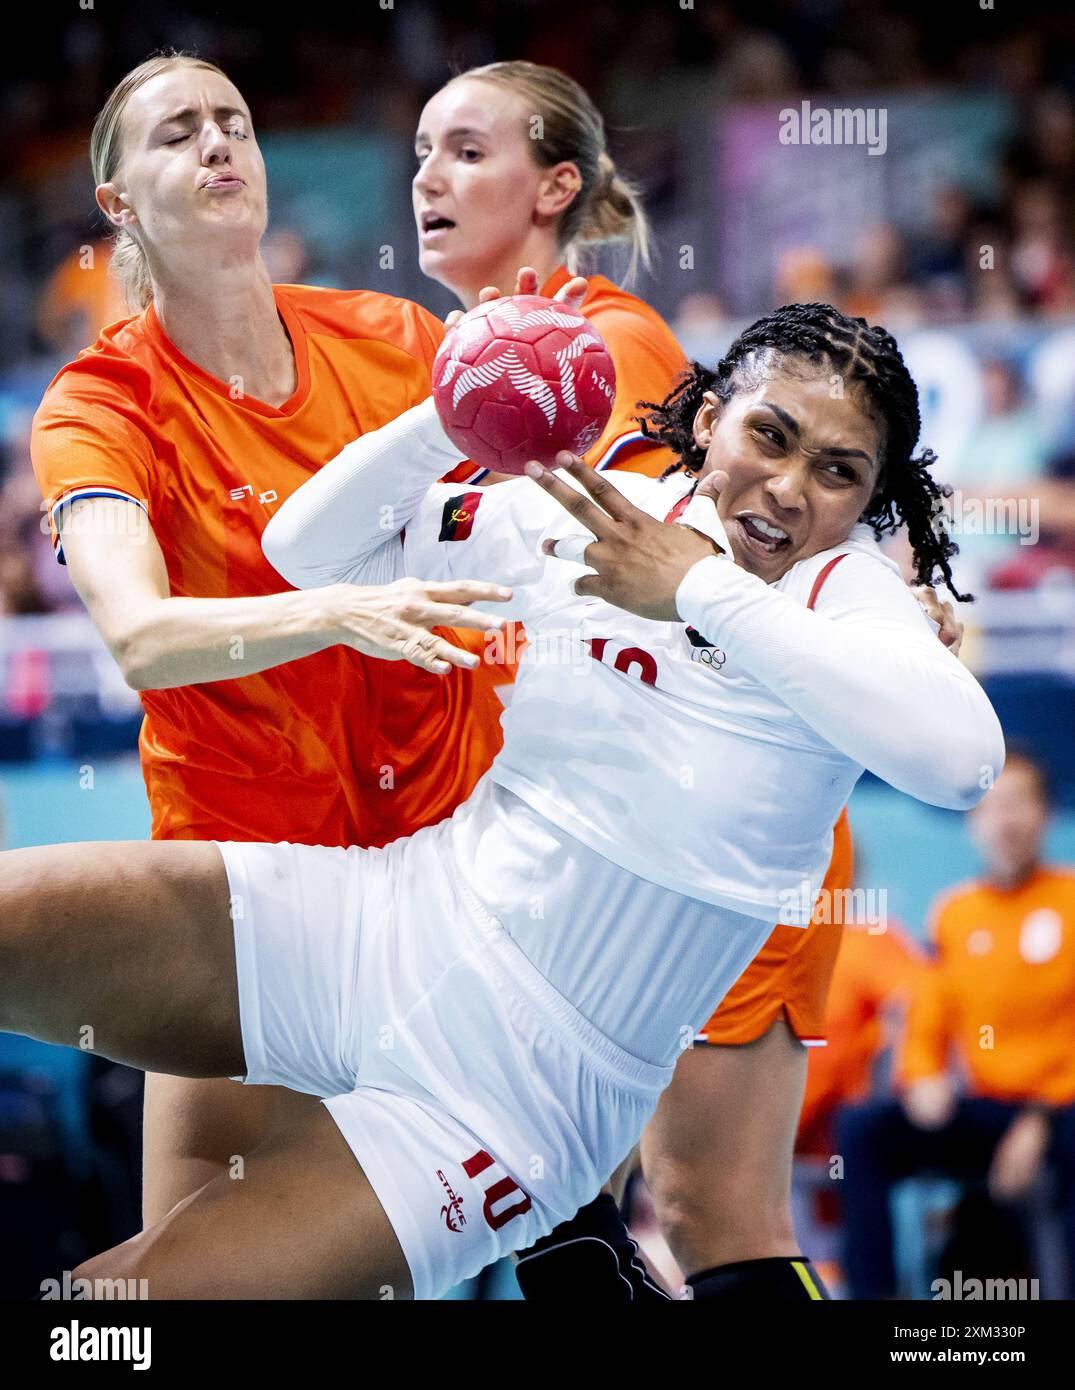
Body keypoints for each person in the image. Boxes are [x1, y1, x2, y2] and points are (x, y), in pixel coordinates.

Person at [0, 298, 1004, 1300]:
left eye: (838, 471)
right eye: (769, 436)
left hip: (502, 1113)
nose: (789, 488)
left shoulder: (847, 595)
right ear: (709, 422)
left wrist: (696, 590)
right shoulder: (597, 511)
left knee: (105, 1313)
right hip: (369, 928)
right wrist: (452, 414)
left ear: (868, 496)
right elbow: (311, 550)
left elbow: (960, 760)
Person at [412, 60, 962, 1301]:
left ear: (556, 185)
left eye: (463, 150)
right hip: (583, 830)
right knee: (535, 1195)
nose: (426, 180)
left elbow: (760, 533)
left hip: (719, 832)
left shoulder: (601, 345)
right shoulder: (451, 355)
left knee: (709, 1208)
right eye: (419, 153)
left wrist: (893, 605)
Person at [29, 51, 514, 1231]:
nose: (217, 144)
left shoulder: (399, 338)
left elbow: (557, 526)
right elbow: (141, 637)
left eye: (234, 121)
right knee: (173, 1283)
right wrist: (342, 611)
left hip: (456, 880)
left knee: (529, 1244)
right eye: (178, 131)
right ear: (119, 203)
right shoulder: (100, 404)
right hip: (246, 900)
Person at [838, 749, 1075, 1299]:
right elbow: (930, 1010)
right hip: (990, 1112)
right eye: (992, 807)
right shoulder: (955, 913)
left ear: (1046, 814)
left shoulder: (1069, 902)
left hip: (1059, 1110)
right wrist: (920, 1075)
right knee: (862, 1131)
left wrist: (1040, 1116)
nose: (1006, 820)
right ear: (973, 821)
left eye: (1019, 803)